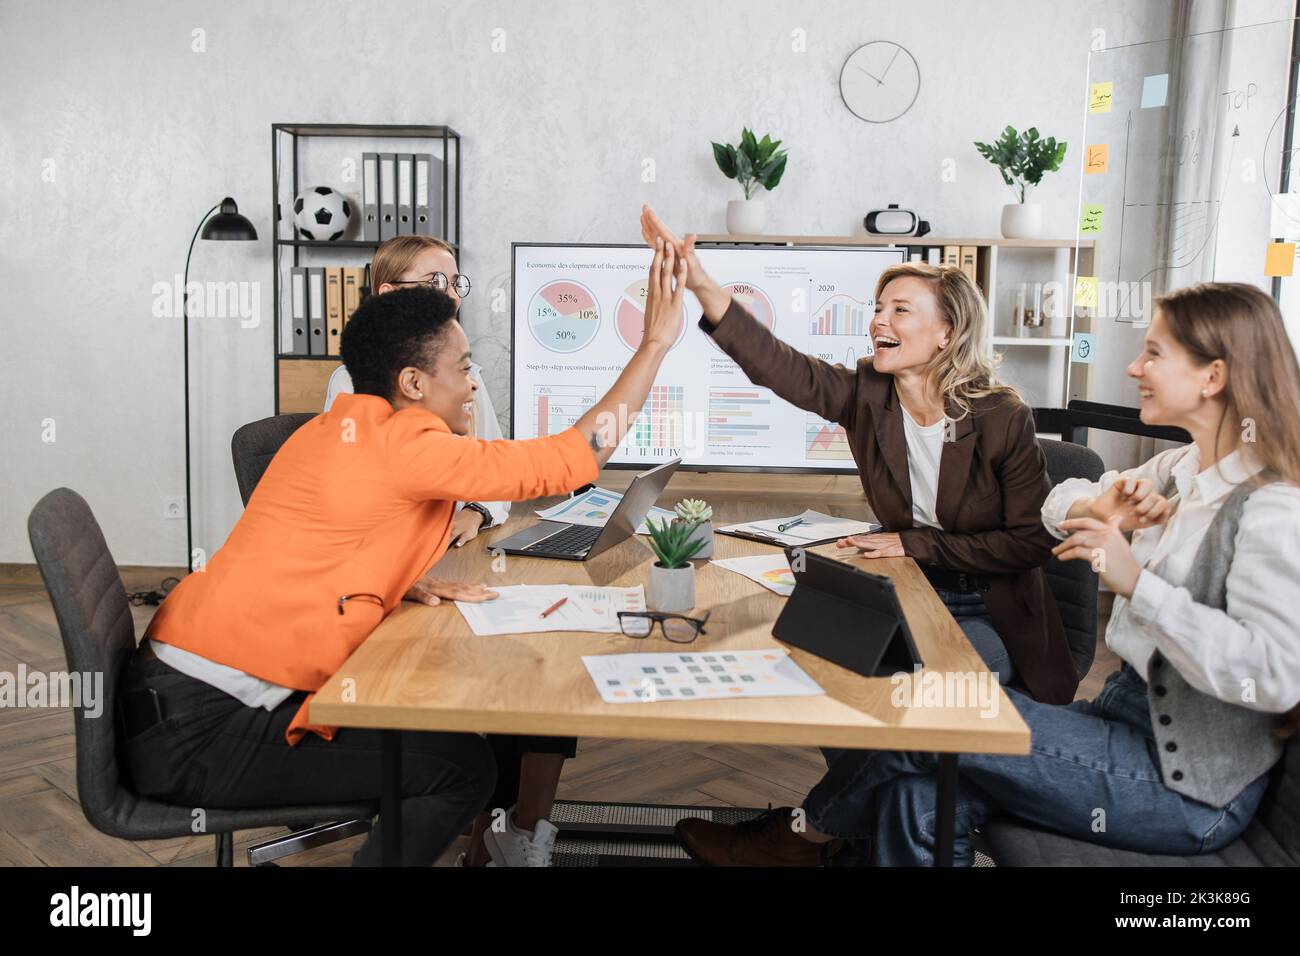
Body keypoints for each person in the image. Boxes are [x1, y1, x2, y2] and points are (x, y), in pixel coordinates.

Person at [681, 281, 1300, 865]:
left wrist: (1137, 581)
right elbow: (1064, 498)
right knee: (914, 795)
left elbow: (1274, 677)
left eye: (1153, 353)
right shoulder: (1182, 468)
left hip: (1186, 784)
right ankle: (817, 839)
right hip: (1119, 720)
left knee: (930, 715)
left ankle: (801, 836)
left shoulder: (1271, 507)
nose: (1134, 368)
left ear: (1213, 375)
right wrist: (1092, 506)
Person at [120, 240, 689, 866]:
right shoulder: (407, 445)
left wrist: (389, 582)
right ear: (414, 382)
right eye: (464, 368)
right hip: (199, 729)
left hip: (175, 694)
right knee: (456, 768)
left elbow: (326, 544)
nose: (474, 382)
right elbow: (574, 459)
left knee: (450, 741)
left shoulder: (343, 425)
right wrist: (655, 343)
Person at [640, 205, 1076, 704]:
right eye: (878, 308)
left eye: (900, 310)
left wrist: (916, 544)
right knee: (821, 670)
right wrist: (699, 282)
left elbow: (1030, 545)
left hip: (983, 608)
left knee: (915, 695)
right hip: (898, 588)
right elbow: (778, 365)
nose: (877, 322)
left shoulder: (1001, 416)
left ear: (947, 334)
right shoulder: (867, 396)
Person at [325, 234, 506, 548]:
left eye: (454, 283)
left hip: (454, 547)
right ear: (389, 294)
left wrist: (476, 512)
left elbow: (495, 466)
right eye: (434, 282)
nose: (451, 297)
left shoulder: (469, 374)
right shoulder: (351, 384)